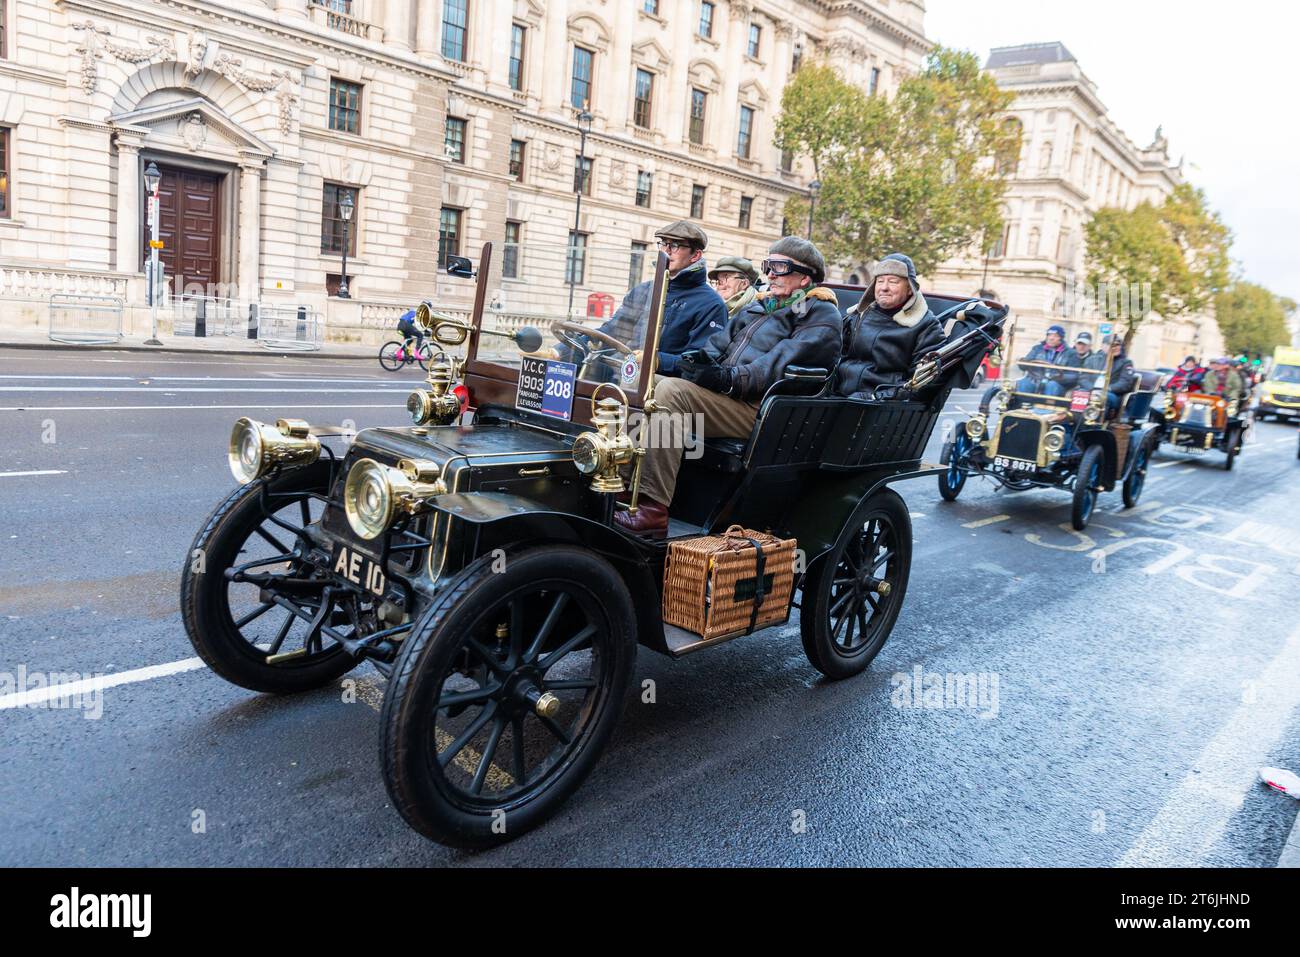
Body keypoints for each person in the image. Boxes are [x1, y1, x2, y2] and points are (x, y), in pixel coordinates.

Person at [615, 236, 843, 536]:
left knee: (671, 392)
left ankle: (652, 507)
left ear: (805, 277)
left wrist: (726, 379)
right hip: (731, 396)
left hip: (763, 411)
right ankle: (620, 484)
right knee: (639, 382)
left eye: (779, 267)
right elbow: (715, 346)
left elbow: (775, 367)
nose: (770, 275)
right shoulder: (761, 307)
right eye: (768, 266)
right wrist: (694, 362)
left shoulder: (820, 315)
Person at [558, 220, 727, 379]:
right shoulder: (643, 290)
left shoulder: (711, 304)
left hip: (661, 385)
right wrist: (558, 352)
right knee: (564, 370)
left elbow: (700, 361)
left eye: (675, 245)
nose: (666, 251)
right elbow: (612, 332)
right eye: (663, 244)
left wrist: (656, 360)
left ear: (695, 255)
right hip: (626, 373)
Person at [835, 253, 945, 398]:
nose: (884, 288)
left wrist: (875, 398)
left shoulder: (927, 325)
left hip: (884, 409)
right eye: (880, 281)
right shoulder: (857, 316)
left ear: (910, 288)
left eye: (893, 281)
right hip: (838, 397)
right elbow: (835, 357)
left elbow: (923, 383)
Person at [1083, 337, 1138, 417]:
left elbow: (1125, 383)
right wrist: (1092, 389)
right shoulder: (1092, 359)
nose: (1116, 347)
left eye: (1118, 345)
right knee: (1077, 394)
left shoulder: (1126, 363)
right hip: (1092, 390)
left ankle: (1097, 424)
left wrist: (1106, 389)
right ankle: (1073, 421)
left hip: (1112, 394)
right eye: (1112, 345)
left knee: (1102, 397)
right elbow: (1083, 378)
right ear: (1103, 346)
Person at [1016, 324, 1069, 396]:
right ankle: (1021, 404)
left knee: (1052, 386)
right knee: (1023, 383)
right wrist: (1022, 362)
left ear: (1061, 338)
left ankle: (1047, 406)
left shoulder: (1069, 352)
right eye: (1049, 335)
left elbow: (1072, 374)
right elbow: (1026, 363)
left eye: (1055, 336)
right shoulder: (1037, 349)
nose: (1051, 338)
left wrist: (1060, 378)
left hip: (1055, 381)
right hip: (1035, 378)